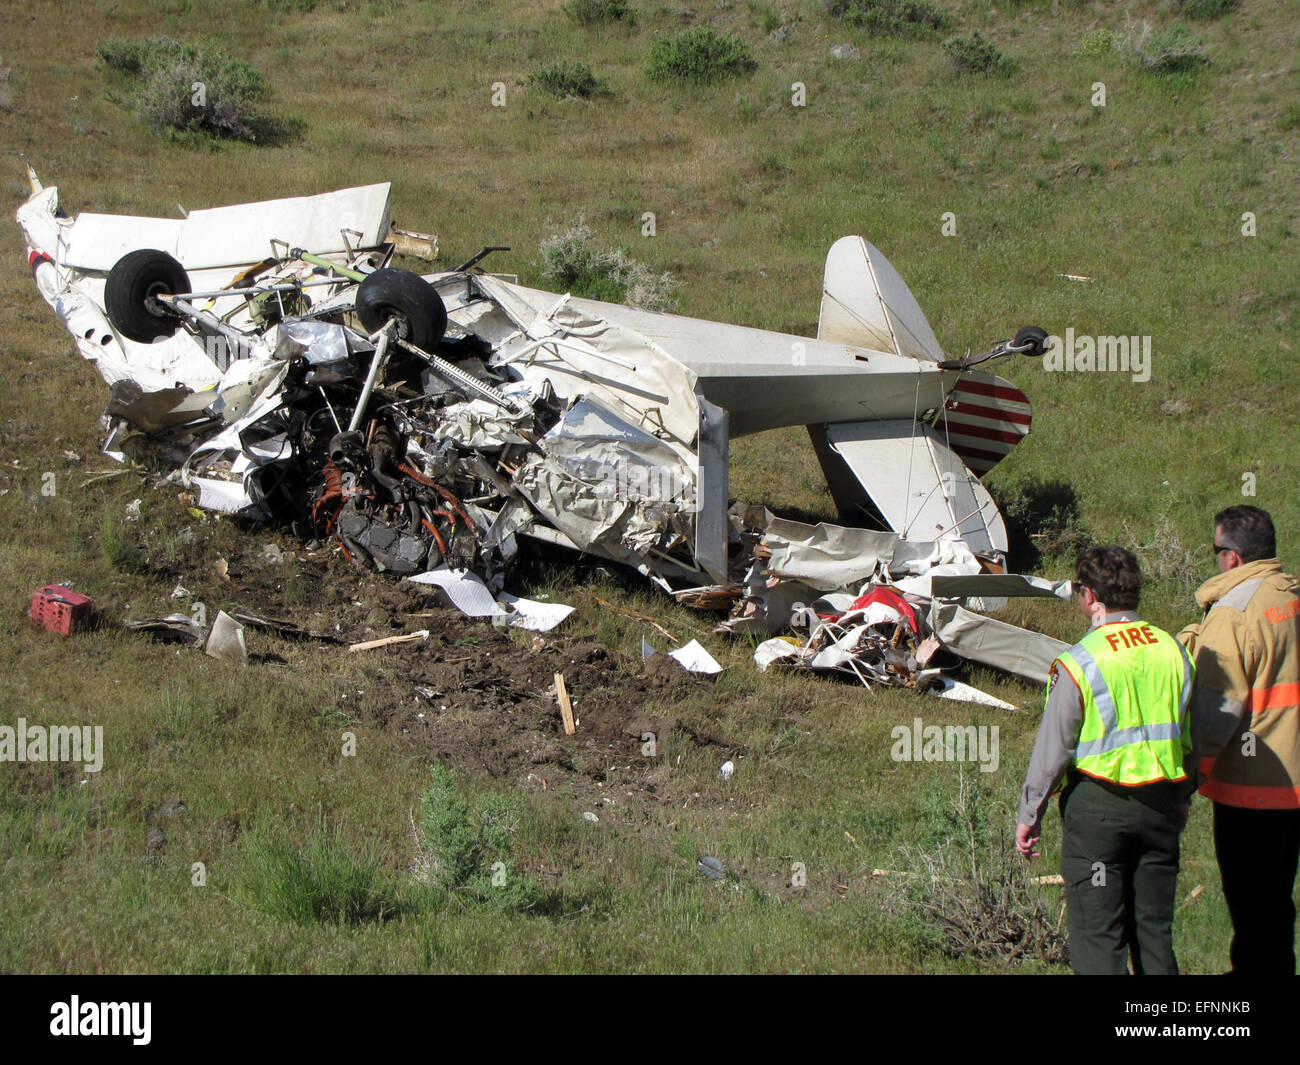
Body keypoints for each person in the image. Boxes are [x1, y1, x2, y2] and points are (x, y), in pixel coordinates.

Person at [1016, 546, 1195, 974]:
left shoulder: (1081, 661)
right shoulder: (1174, 651)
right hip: (1161, 808)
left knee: (1099, 935)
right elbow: (1193, 734)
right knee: (1153, 933)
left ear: (1091, 595)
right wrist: (1185, 793)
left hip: (1099, 816)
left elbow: (1053, 748)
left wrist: (1030, 812)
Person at [1181, 505, 1300, 974]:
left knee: (1251, 912)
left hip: (1254, 790)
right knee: (1276, 906)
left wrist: (1186, 777)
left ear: (1231, 558)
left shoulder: (1235, 614)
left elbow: (1215, 715)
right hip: (1292, 782)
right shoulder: (1291, 595)